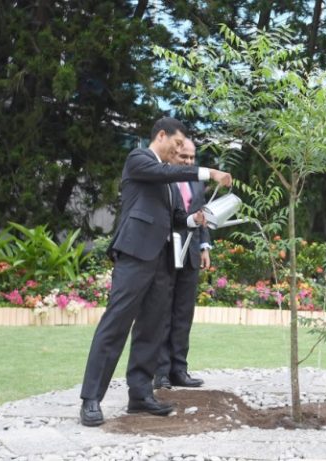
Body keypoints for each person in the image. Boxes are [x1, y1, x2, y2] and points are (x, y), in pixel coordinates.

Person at [79, 117, 232, 427]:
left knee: (152, 328)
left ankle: (140, 394)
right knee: (116, 325)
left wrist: (195, 220)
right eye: (176, 144)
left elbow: (176, 217)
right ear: (160, 136)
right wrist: (208, 172)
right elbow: (166, 172)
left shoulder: (166, 184)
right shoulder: (139, 160)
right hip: (135, 256)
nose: (179, 151)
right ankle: (91, 399)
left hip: (163, 261)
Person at [153, 139, 211, 390]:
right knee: (163, 312)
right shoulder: (161, 178)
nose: (188, 162)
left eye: (191, 158)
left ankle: (180, 370)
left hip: (192, 254)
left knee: (183, 314)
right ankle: (161, 373)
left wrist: (204, 246)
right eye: (183, 157)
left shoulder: (197, 180)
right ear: (173, 156)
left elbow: (203, 214)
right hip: (166, 251)